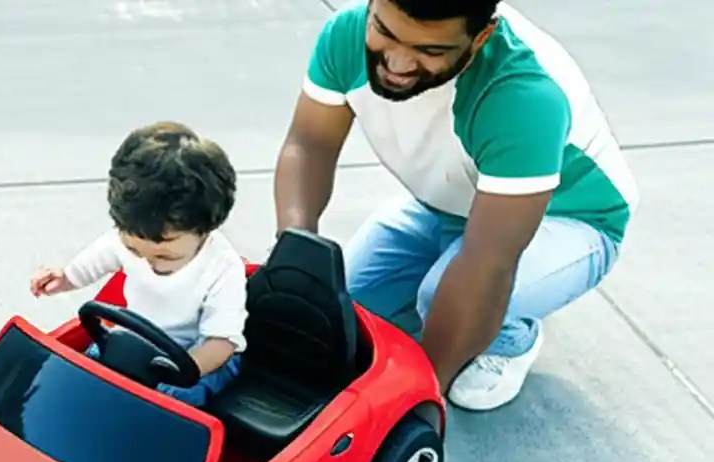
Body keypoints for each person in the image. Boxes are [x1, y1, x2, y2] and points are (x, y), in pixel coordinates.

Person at [274, 0, 639, 411]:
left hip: (568, 219)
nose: (396, 62)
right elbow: (310, 144)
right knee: (337, 307)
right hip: (446, 205)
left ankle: (512, 337)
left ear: (480, 37)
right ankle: (454, 308)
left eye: (429, 52)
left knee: (443, 300)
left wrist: (419, 400)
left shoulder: (523, 97)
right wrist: (296, 248)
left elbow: (488, 262)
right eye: (385, 32)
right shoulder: (348, 33)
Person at [30, 121, 248, 407]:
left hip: (197, 356)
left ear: (204, 230)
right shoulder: (131, 238)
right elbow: (96, 260)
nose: (146, 261)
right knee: (83, 369)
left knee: (173, 399)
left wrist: (172, 372)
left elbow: (220, 343)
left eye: (164, 256)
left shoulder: (223, 268)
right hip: (140, 339)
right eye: (134, 249)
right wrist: (65, 277)